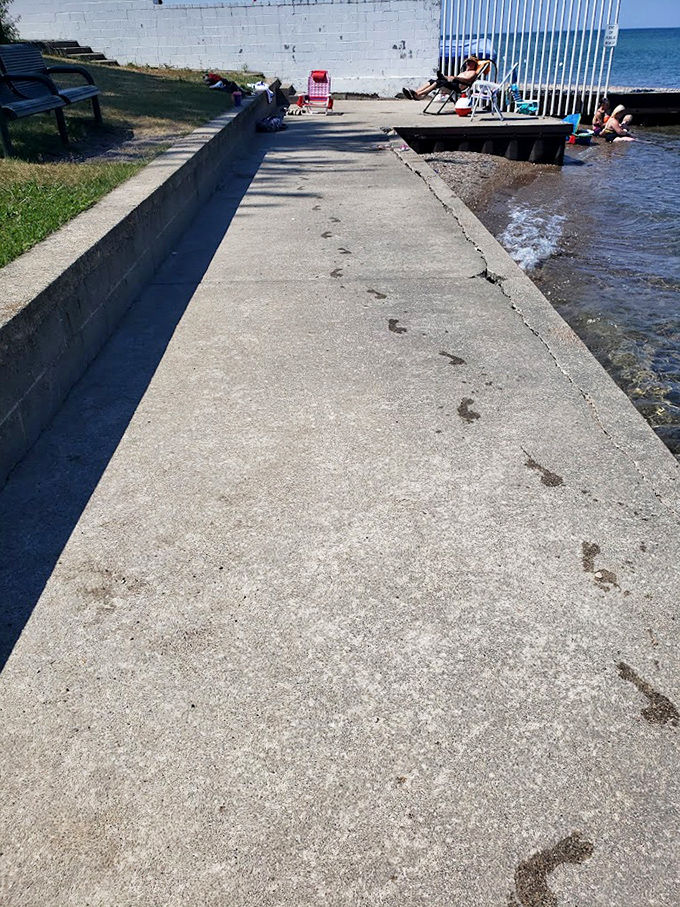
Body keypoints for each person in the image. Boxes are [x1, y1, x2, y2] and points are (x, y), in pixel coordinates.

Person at [403, 56, 481, 101]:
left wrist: (455, 78)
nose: (468, 63)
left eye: (470, 62)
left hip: (457, 87)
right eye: (468, 62)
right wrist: (447, 77)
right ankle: (416, 93)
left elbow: (467, 81)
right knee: (432, 81)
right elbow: (457, 78)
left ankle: (418, 95)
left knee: (438, 83)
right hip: (453, 83)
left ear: (474, 64)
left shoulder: (473, 73)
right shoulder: (464, 72)